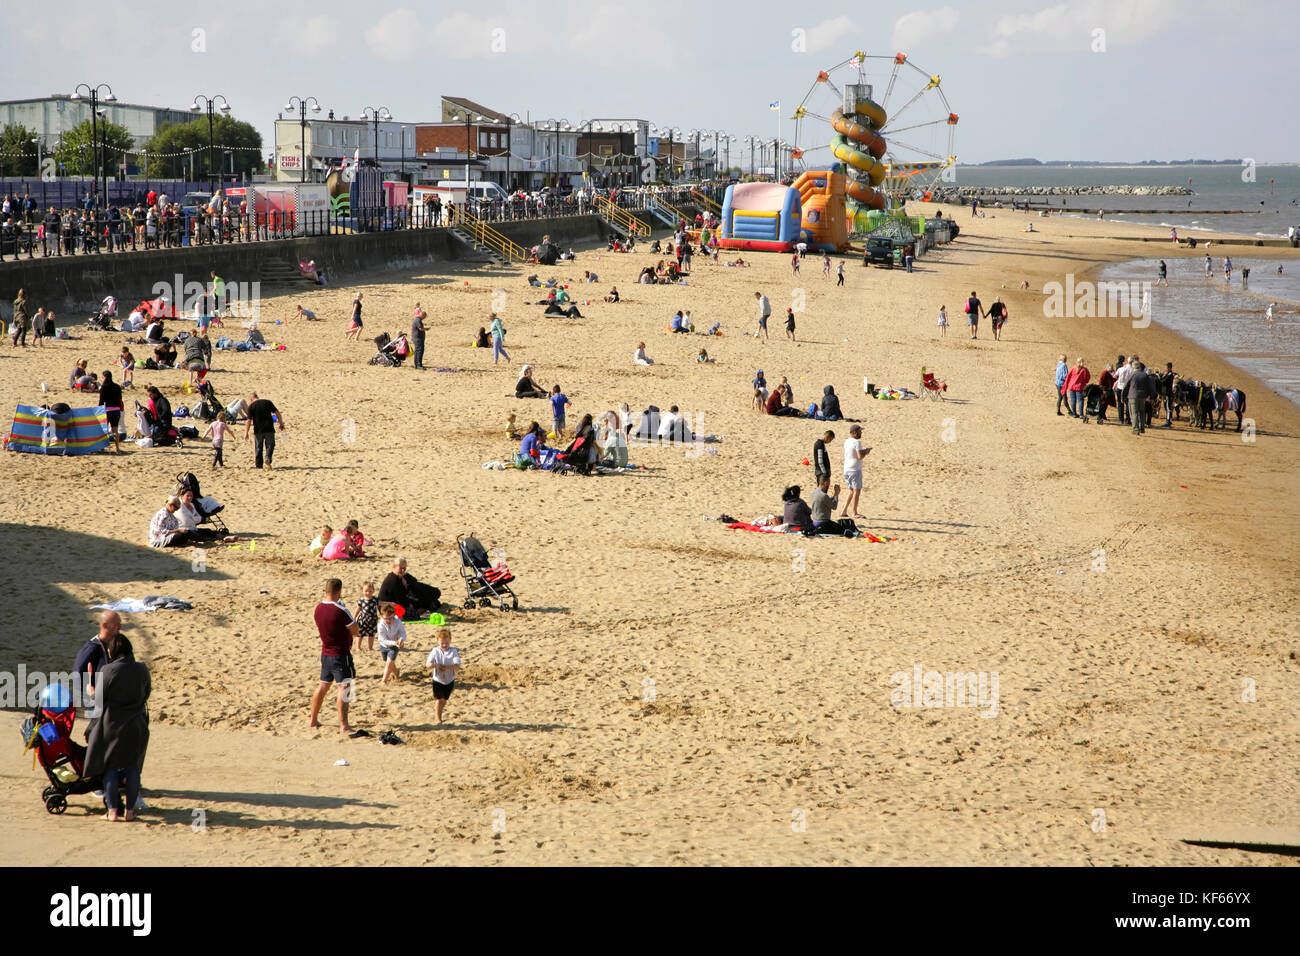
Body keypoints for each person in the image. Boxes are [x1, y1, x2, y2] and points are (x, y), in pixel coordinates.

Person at [84, 635, 150, 822]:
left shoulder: (108, 670)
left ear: (112, 652)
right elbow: (146, 694)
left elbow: (99, 701)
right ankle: (129, 811)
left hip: (112, 725)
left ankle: (112, 811)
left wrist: (91, 691)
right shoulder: (142, 669)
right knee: (132, 768)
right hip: (136, 724)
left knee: (111, 768)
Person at [309, 578, 360, 735]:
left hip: (326, 653)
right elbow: (356, 630)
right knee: (345, 688)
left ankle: (313, 719)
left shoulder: (318, 608)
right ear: (339, 591)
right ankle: (344, 724)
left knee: (323, 686)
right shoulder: (340, 610)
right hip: (340, 654)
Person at [425, 628, 462, 723]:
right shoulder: (435, 651)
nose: (444, 645)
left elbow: (457, 666)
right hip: (438, 679)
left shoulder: (453, 651)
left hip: (449, 680)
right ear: (438, 641)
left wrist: (448, 667)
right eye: (442, 643)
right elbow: (428, 664)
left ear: (450, 641)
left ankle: (440, 710)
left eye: (447, 643)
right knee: (439, 699)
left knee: (445, 700)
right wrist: (436, 665)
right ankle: (438, 718)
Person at [244, 392, 284, 469]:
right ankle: (268, 458)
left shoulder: (251, 406)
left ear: (251, 399)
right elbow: (277, 413)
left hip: (258, 430)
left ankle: (259, 465)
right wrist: (281, 423)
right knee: (270, 445)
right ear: (257, 397)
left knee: (258, 447)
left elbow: (248, 420)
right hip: (269, 428)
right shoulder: (267, 402)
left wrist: (246, 432)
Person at [840, 424, 870, 519]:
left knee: (851, 491)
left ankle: (844, 510)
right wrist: (866, 452)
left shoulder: (847, 441)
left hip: (847, 469)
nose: (861, 433)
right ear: (854, 433)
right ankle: (854, 512)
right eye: (859, 431)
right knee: (856, 491)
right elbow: (859, 456)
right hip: (854, 469)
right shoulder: (857, 442)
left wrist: (863, 451)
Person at [376, 602, 406, 685]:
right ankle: (396, 672)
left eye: (391, 618)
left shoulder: (398, 621)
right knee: (388, 662)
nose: (388, 620)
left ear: (394, 615)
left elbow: (403, 633)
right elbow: (382, 639)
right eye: (386, 618)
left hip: (394, 646)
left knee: (389, 662)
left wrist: (401, 639)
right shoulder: (381, 624)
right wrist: (394, 642)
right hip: (384, 645)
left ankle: (384, 681)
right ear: (382, 616)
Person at [99, 370, 123, 453]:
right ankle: (117, 448)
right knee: (115, 430)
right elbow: (120, 399)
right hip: (116, 410)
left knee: (104, 430)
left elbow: (101, 401)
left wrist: (99, 410)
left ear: (105, 377)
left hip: (107, 410)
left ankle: (102, 447)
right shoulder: (117, 386)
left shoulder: (103, 387)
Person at [354, 582, 379, 652]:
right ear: (362, 591)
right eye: (366, 591)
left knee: (371, 634)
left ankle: (370, 647)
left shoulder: (375, 599)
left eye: (370, 591)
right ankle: (358, 647)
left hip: (372, 620)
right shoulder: (361, 600)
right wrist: (354, 617)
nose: (368, 593)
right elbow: (358, 609)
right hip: (363, 620)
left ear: (373, 591)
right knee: (360, 634)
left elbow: (380, 606)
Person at [410, 303, 428, 370]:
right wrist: (426, 329)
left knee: (418, 351)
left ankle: (417, 364)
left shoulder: (417, 319)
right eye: (424, 317)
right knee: (419, 351)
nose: (424, 318)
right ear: (422, 315)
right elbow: (420, 328)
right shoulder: (418, 320)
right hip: (418, 338)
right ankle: (418, 365)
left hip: (417, 338)